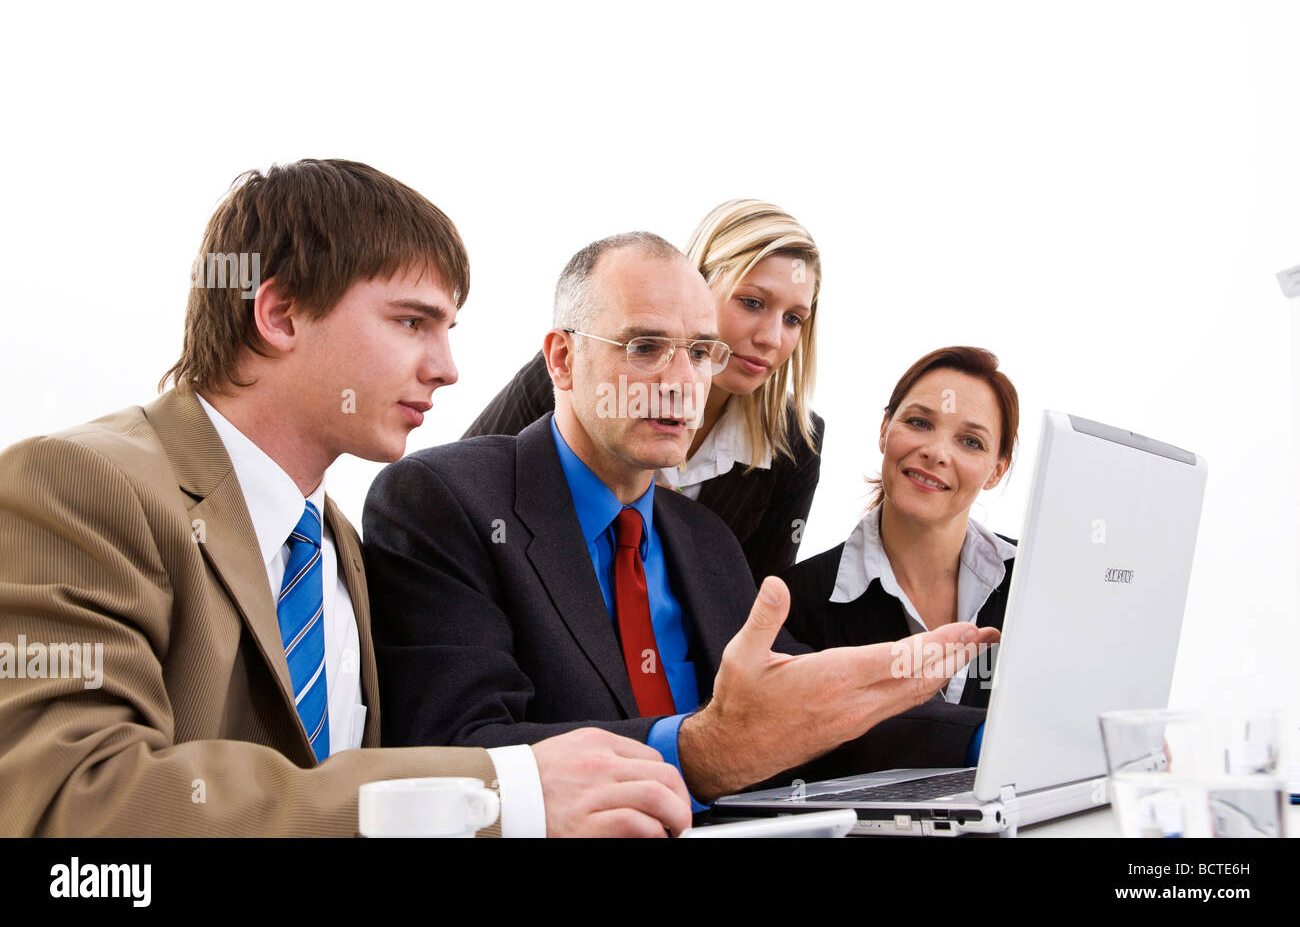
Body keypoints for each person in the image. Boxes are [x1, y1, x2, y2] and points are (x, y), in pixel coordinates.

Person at [0, 160, 692, 838]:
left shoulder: (340, 548)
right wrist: (498, 793)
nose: (446, 368)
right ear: (279, 313)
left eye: (448, 330)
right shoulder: (75, 484)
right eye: (412, 323)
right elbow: (71, 803)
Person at [364, 232, 997, 807]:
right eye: (645, 347)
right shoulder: (438, 501)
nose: (681, 383)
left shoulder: (707, 541)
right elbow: (460, 751)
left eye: (700, 353)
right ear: (561, 360)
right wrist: (698, 754)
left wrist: (994, 739)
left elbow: (797, 710)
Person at [464, 199, 825, 584]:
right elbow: (461, 493)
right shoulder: (581, 370)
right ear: (696, 283)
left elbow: (753, 602)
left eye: (793, 319)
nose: (771, 338)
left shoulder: (796, 443)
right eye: (752, 303)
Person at [778, 346, 1019, 770]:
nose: (937, 452)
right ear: (885, 428)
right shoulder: (798, 600)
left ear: (997, 470)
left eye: (970, 441)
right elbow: (810, 744)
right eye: (919, 422)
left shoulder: (1035, 580)